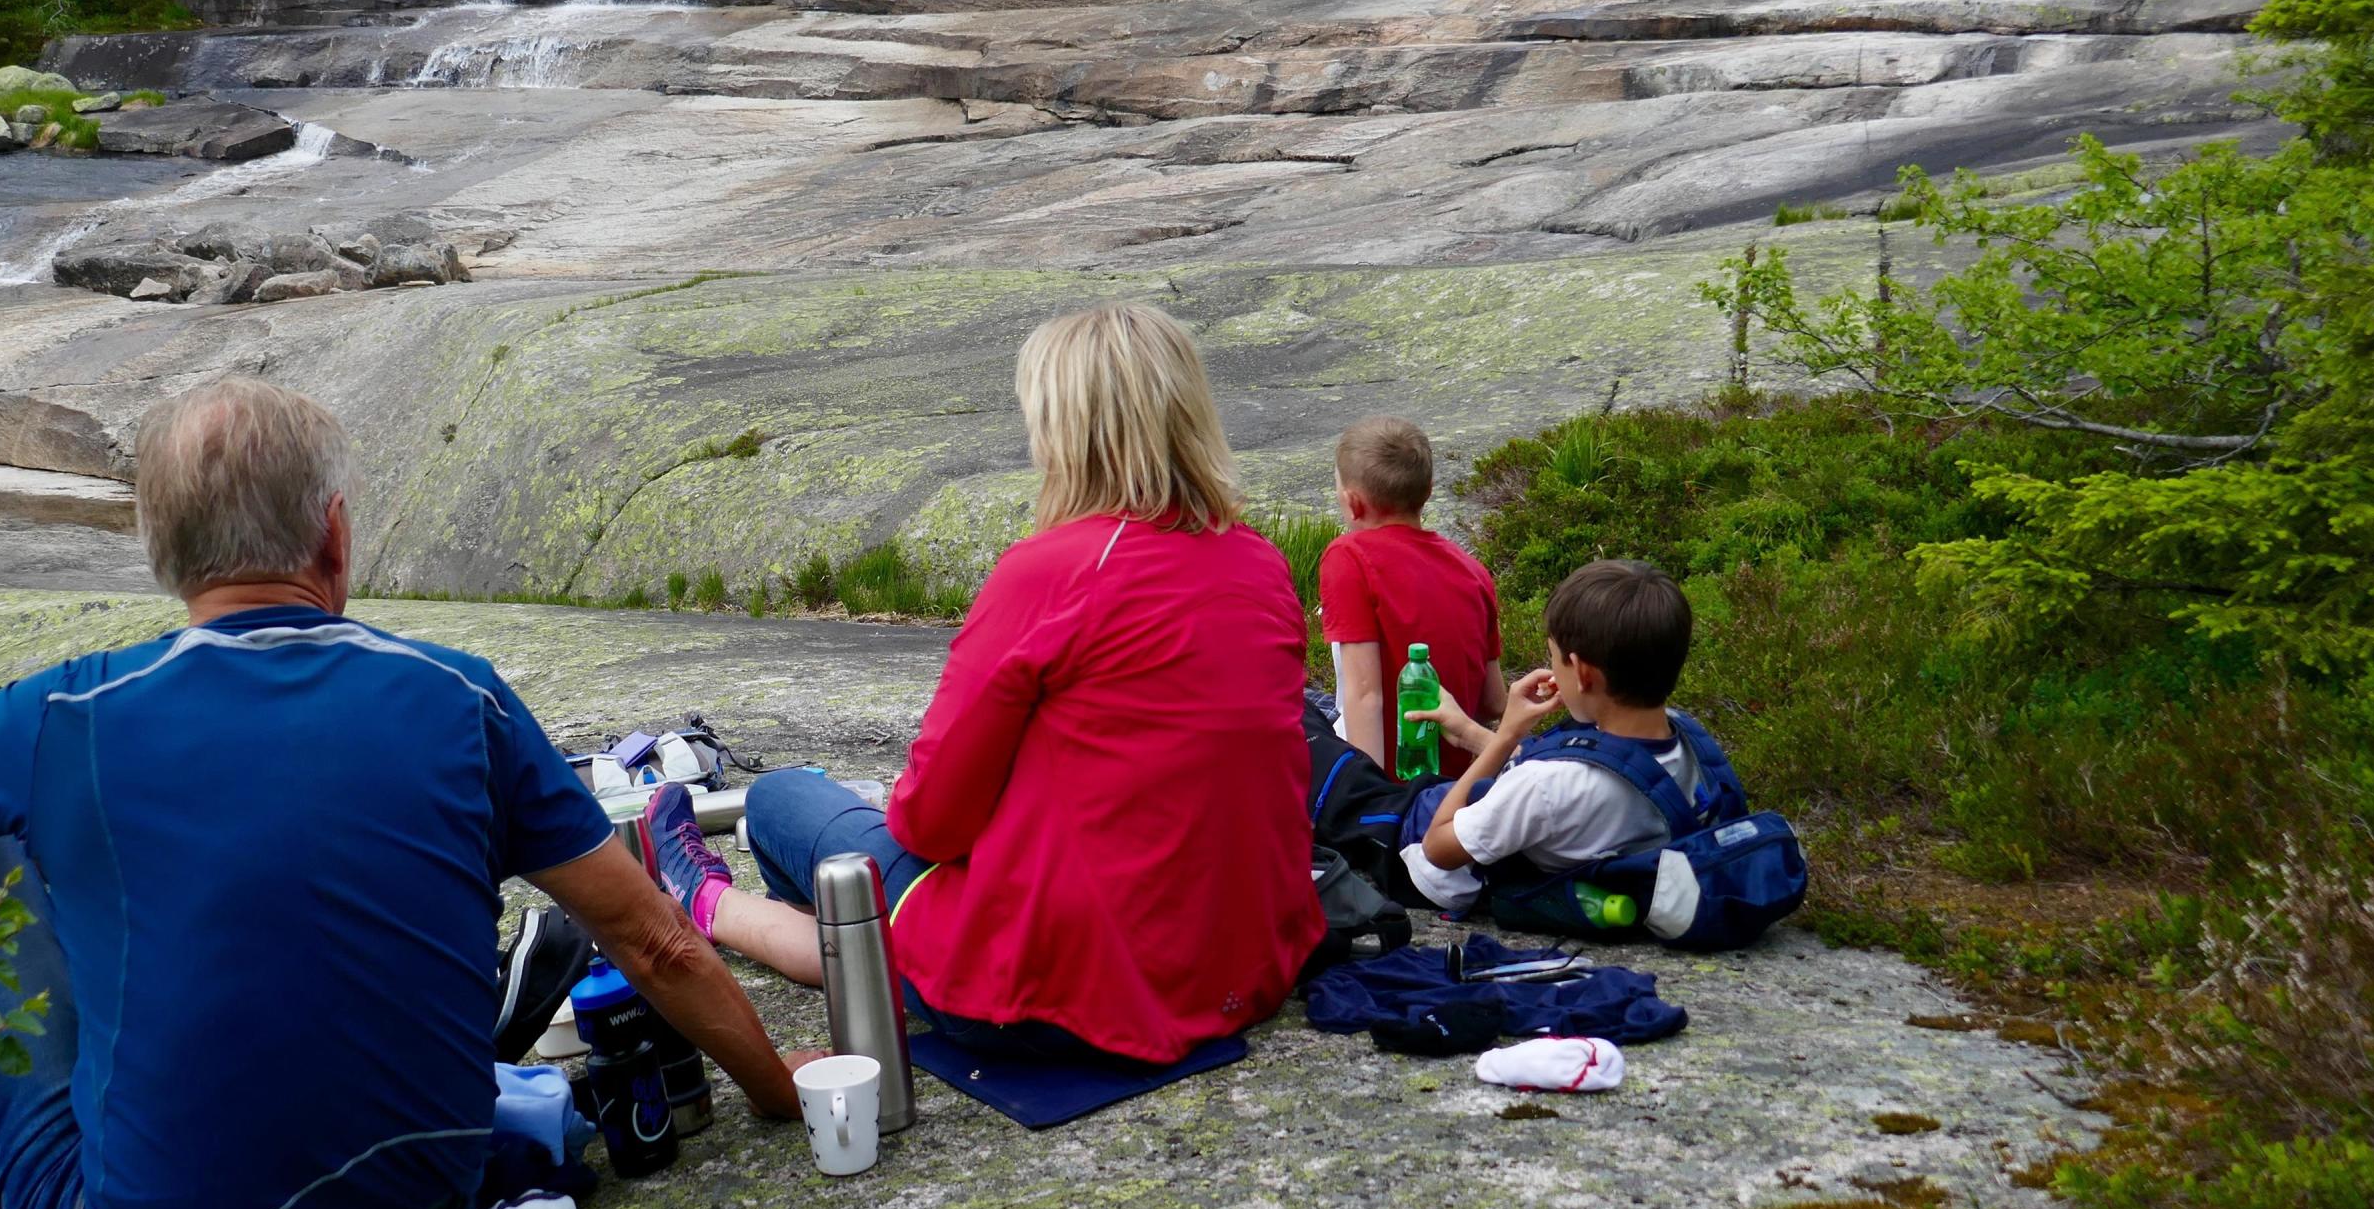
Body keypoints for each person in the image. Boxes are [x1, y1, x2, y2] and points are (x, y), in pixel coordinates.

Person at [0, 378, 811, 1209]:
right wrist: (779, 1090)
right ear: (334, 537)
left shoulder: (71, 714)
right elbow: (656, 940)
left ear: (163, 556)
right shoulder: (458, 696)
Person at [644, 303, 1323, 1066]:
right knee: (879, 881)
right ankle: (857, 949)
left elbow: (929, 824)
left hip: (1062, 995)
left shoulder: (1051, 572)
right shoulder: (1260, 565)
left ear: (1066, 433)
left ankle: (701, 900)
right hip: (1243, 969)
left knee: (785, 800)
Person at [1402, 558, 1732, 918]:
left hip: (1414, 845)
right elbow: (1573, 776)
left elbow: (1437, 846)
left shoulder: (1546, 785)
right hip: (1503, 824)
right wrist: (1468, 731)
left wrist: (1508, 732)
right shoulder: (1687, 743)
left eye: (1556, 658)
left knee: (1340, 771)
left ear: (1583, 673)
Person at [1318, 416, 1504, 776]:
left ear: (1352, 503)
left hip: (1392, 782)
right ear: (1429, 490)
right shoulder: (1473, 570)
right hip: (1457, 780)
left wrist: (1369, 798)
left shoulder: (1349, 557)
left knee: (1300, 709)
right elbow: (1494, 700)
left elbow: (1365, 695)